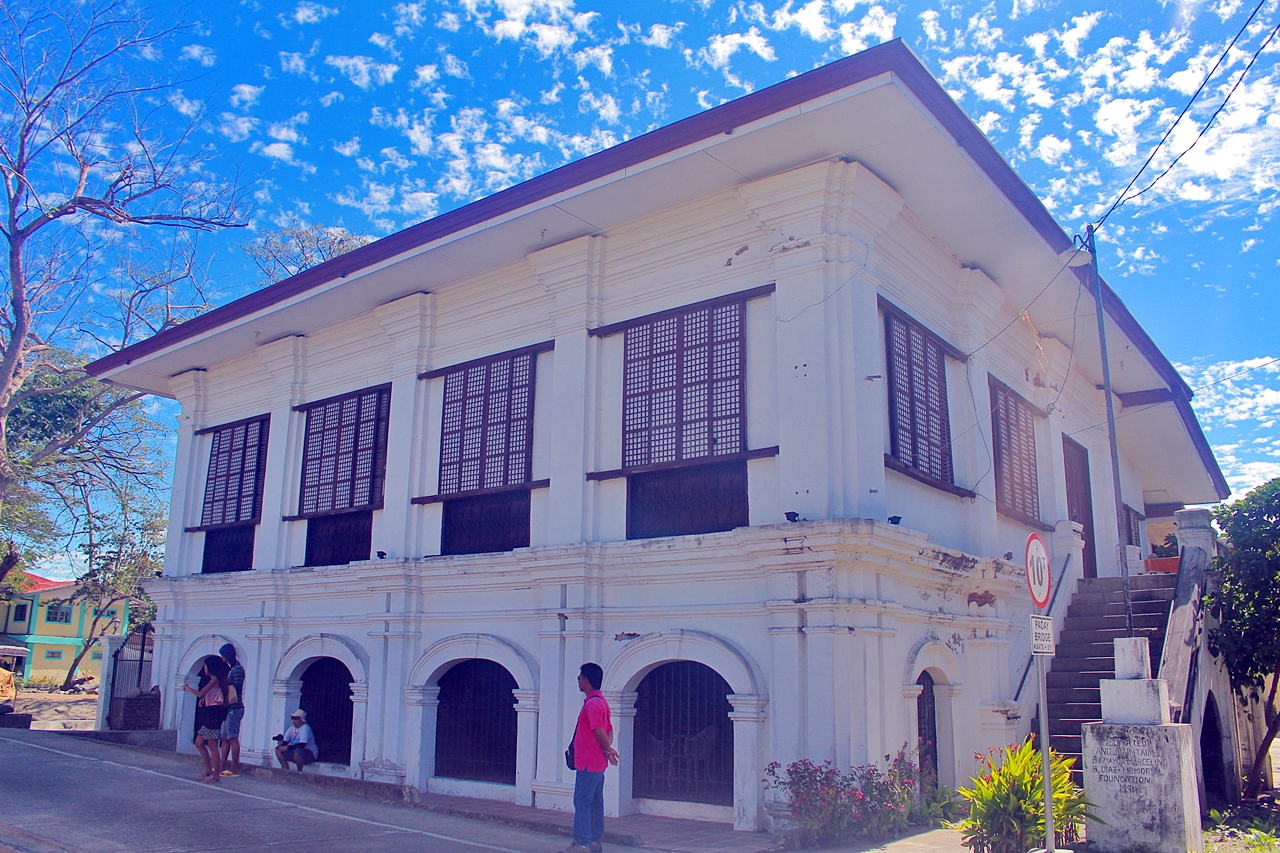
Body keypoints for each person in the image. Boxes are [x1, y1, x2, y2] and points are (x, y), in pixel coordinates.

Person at [564, 662, 618, 853]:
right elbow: (609, 730)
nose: (578, 681)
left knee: (582, 801)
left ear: (586, 681)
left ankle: (582, 842)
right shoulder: (601, 702)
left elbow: (599, 731)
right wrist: (608, 749)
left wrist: (607, 748)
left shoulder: (593, 704)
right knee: (595, 801)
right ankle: (593, 840)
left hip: (588, 761)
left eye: (579, 678)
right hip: (596, 762)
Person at [183, 655, 230, 783]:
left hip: (214, 713)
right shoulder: (217, 680)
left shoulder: (214, 680)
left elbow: (200, 693)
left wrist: (188, 688)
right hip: (212, 711)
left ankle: (216, 775)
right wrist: (205, 699)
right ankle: (209, 770)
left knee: (212, 744)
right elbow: (213, 694)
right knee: (199, 743)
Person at [218, 644, 245, 777]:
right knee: (224, 737)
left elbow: (237, 688)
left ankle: (234, 767)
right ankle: (222, 765)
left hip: (234, 707)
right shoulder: (232, 669)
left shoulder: (237, 669)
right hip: (228, 707)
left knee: (232, 737)